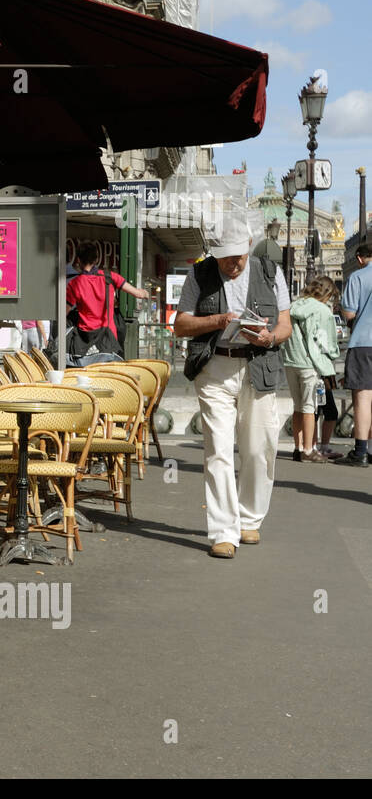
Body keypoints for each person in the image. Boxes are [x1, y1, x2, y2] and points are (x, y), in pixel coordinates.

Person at [173, 220, 291, 559]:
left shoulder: (270, 273)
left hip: (258, 364)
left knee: (258, 449)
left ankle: (249, 518)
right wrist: (218, 321)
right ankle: (223, 530)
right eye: (225, 258)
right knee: (219, 451)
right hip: (215, 368)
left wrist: (270, 337)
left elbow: (285, 324)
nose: (232, 264)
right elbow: (180, 324)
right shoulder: (199, 275)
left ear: (249, 245)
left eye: (238, 257)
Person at [280, 275, 340, 462]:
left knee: (298, 406)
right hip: (310, 363)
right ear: (328, 294)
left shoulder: (294, 306)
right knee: (310, 407)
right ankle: (309, 450)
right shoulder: (323, 311)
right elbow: (325, 341)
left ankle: (298, 448)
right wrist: (333, 353)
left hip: (291, 361)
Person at [66, 241, 150, 365]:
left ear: (78, 260)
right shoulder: (110, 277)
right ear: (96, 259)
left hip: (84, 341)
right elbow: (138, 294)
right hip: (108, 339)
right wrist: (146, 293)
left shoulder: (75, 284)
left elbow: (65, 312)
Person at [336, 243, 372, 466]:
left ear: (359, 258)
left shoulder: (358, 277)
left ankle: (360, 452)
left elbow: (349, 312)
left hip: (364, 342)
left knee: (363, 397)